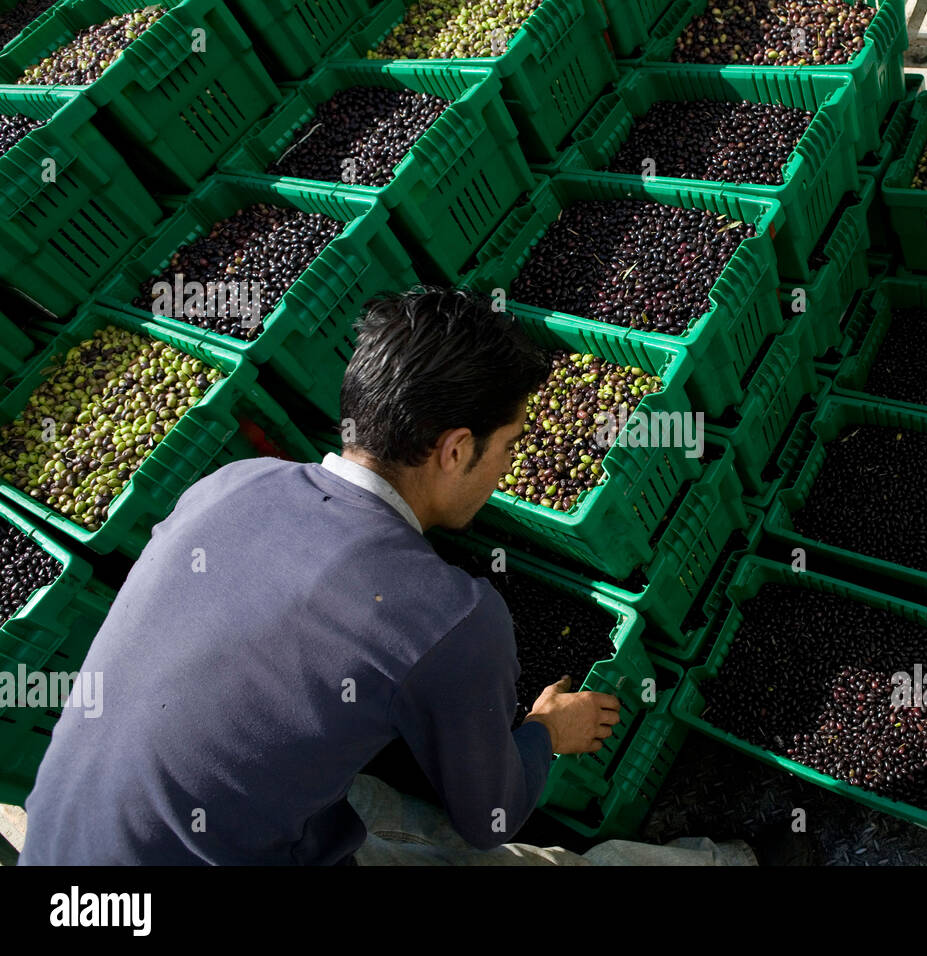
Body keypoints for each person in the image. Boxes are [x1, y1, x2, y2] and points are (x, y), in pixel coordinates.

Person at [18, 287, 754, 866]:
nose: (509, 470)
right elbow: (487, 819)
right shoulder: (450, 617)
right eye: (509, 447)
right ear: (456, 449)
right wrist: (542, 735)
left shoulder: (233, 484)